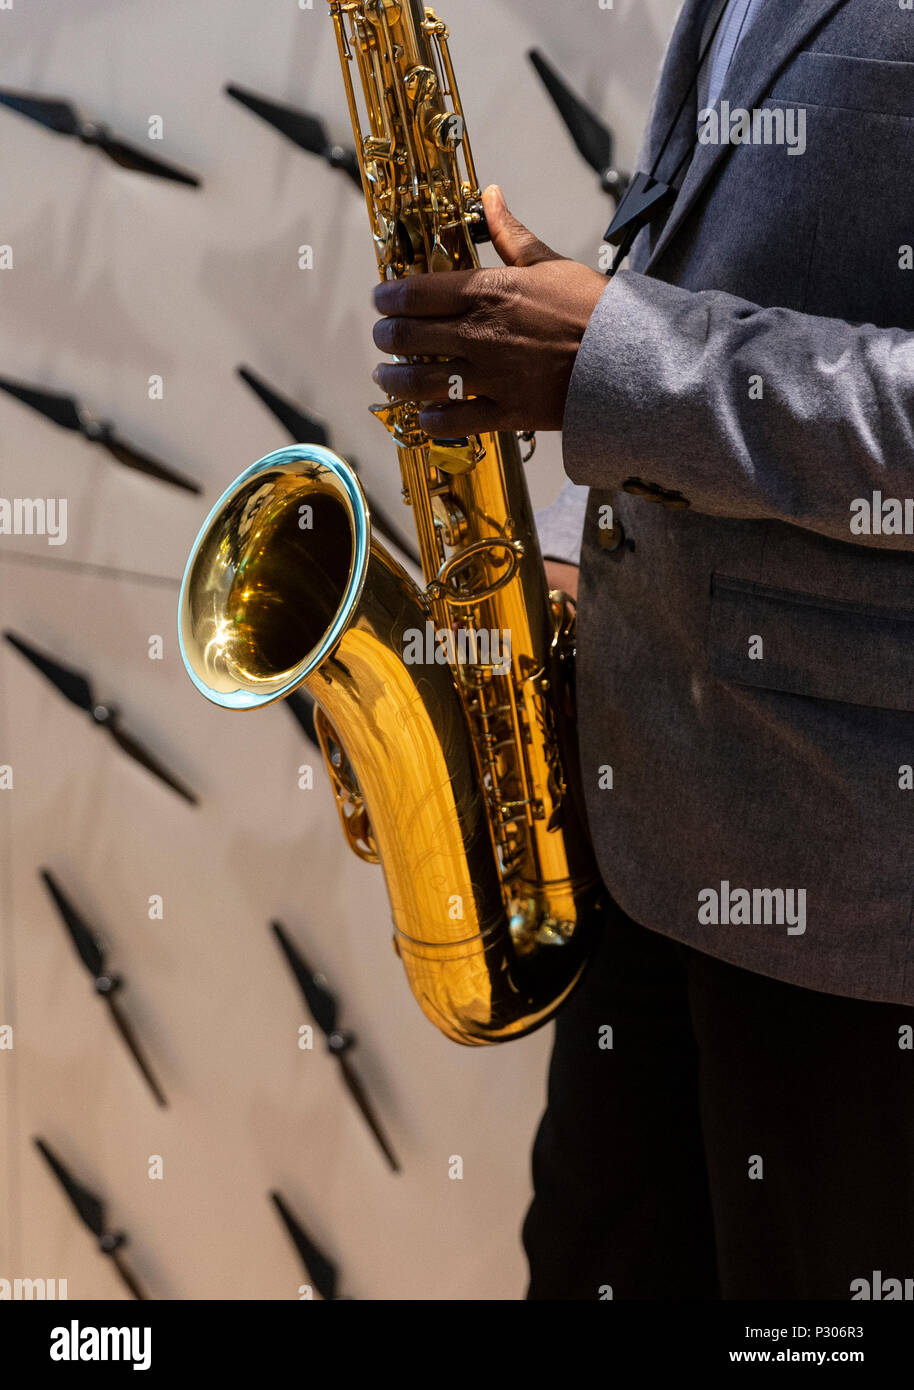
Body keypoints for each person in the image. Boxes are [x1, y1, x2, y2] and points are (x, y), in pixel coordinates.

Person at [372, 0, 914, 1300]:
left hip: (852, 909)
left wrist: (618, 368)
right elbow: (734, 265)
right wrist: (567, 548)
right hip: (655, 834)